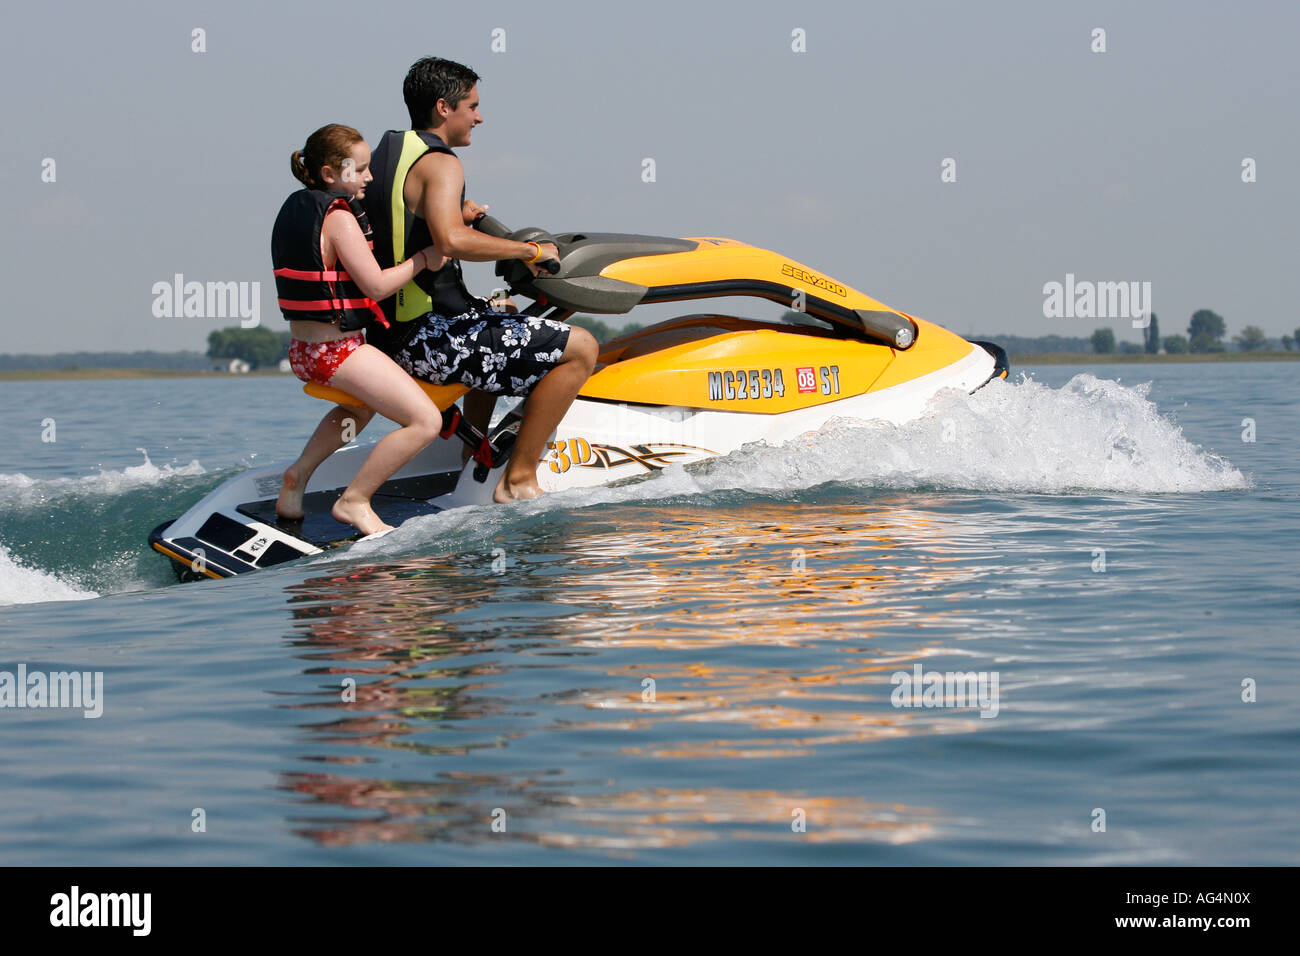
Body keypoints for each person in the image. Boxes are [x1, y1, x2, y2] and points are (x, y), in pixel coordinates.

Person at [362, 57, 598, 503]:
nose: (479, 116)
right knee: (582, 347)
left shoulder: (389, 153)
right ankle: (519, 479)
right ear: (443, 108)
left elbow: (411, 221)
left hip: (390, 332)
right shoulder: (441, 164)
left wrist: (459, 215)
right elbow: (450, 241)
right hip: (425, 342)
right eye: (472, 106)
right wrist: (529, 252)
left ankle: (474, 458)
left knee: (500, 313)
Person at [271, 123, 447, 536]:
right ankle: (355, 501)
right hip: (338, 352)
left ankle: (296, 478)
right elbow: (377, 285)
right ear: (331, 174)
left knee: (358, 408)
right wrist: (425, 257)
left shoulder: (296, 208)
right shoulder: (339, 219)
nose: (369, 177)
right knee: (425, 422)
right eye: (361, 169)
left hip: (303, 351)